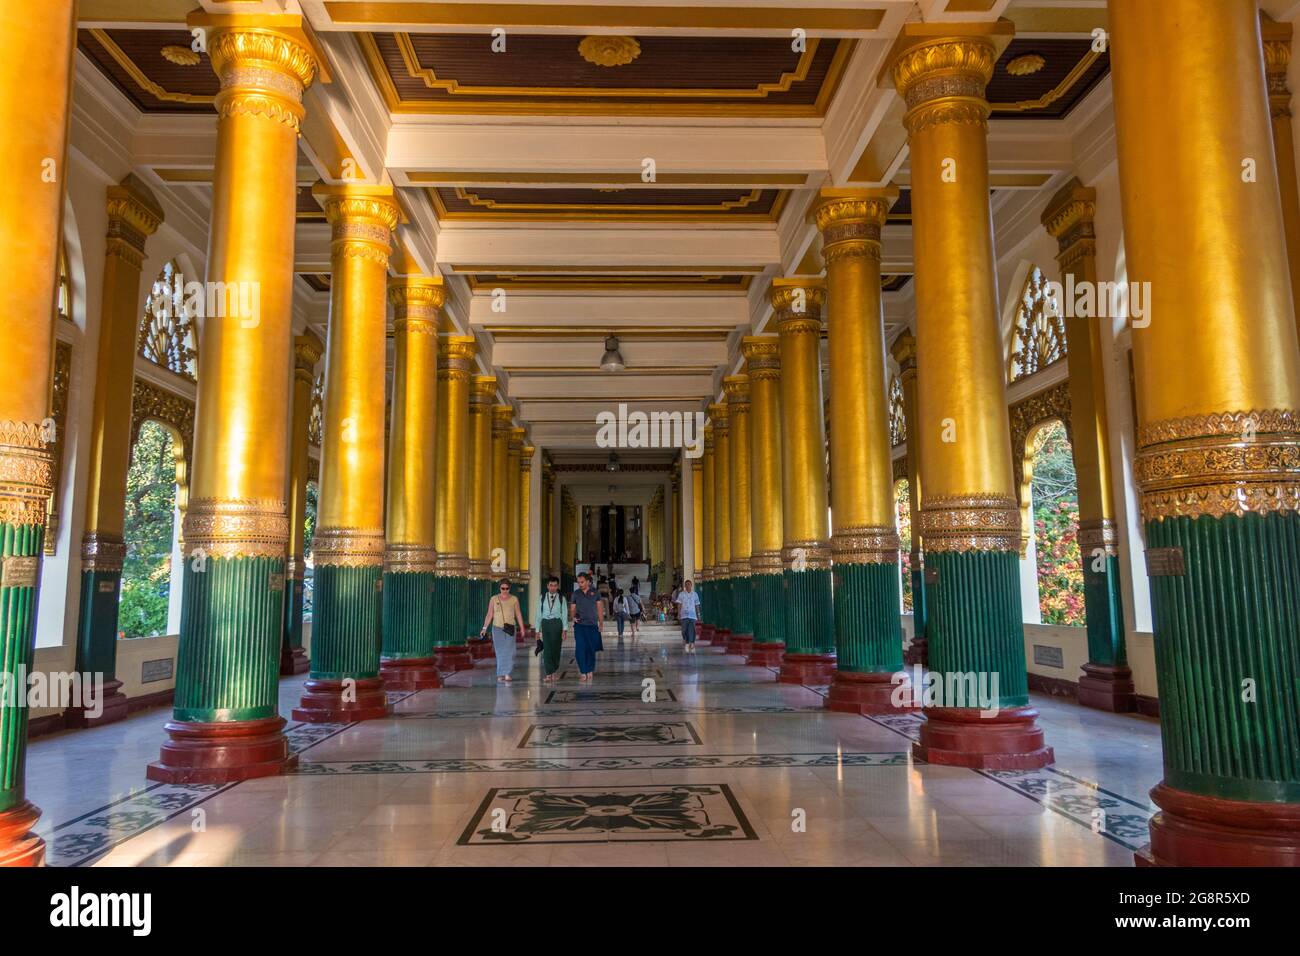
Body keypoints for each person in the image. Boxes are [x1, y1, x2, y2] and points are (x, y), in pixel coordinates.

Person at [480, 577, 527, 682]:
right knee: (500, 651)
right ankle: (502, 673)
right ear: (499, 588)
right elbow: (489, 614)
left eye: (507, 588)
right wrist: (484, 628)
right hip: (497, 628)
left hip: (510, 628)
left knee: (511, 651)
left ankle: (507, 672)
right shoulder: (494, 599)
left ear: (510, 588)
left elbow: (518, 614)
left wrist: (522, 628)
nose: (505, 591)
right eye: (503, 588)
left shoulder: (514, 599)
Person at [570, 571, 604, 682]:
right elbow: (572, 608)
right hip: (580, 625)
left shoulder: (596, 593)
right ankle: (583, 671)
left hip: (592, 625)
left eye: (582, 582)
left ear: (588, 581)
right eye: (579, 582)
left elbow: (599, 609)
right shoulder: (576, 594)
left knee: (591, 648)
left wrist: (601, 622)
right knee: (580, 648)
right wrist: (573, 617)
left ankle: (590, 669)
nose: (580, 584)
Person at [536, 575, 567, 683]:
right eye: (551, 585)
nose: (553, 588)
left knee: (556, 648)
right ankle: (549, 674)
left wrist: (564, 630)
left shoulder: (561, 598)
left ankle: (554, 671)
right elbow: (538, 614)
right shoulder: (542, 597)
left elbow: (564, 614)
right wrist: (537, 630)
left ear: (557, 586)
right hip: (545, 623)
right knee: (547, 648)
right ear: (547, 586)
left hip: (557, 623)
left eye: (555, 586)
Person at [674, 579, 701, 654]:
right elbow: (679, 604)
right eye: (686, 585)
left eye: (689, 584)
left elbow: (697, 605)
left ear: (691, 585)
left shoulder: (695, 594)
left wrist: (698, 614)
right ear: (685, 586)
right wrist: (678, 614)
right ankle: (687, 642)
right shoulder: (681, 594)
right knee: (684, 630)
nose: (687, 586)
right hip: (684, 615)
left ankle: (692, 643)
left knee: (692, 629)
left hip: (692, 615)